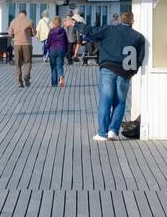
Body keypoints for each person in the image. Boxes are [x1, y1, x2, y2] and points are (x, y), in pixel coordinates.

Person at [83, 11, 146, 142]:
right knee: (120, 101)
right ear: (132, 22)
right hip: (125, 71)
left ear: (120, 20)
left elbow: (90, 31)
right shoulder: (138, 37)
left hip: (108, 67)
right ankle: (113, 130)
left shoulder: (109, 29)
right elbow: (140, 58)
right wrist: (132, 72)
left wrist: (75, 24)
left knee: (106, 100)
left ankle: (102, 133)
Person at [8, 10, 35, 87]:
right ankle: (26, 76)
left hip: (17, 44)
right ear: (25, 14)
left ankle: (19, 83)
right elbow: (34, 33)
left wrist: (14, 36)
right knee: (28, 62)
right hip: (27, 44)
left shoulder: (13, 21)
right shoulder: (30, 21)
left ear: (19, 14)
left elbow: (10, 34)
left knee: (18, 64)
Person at [46, 16, 69, 87]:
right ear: (60, 23)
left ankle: (54, 83)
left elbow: (48, 41)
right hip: (61, 49)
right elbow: (66, 41)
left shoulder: (51, 31)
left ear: (53, 23)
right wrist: (66, 50)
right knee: (60, 66)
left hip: (53, 49)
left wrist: (46, 47)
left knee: (53, 66)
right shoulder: (63, 30)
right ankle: (61, 76)